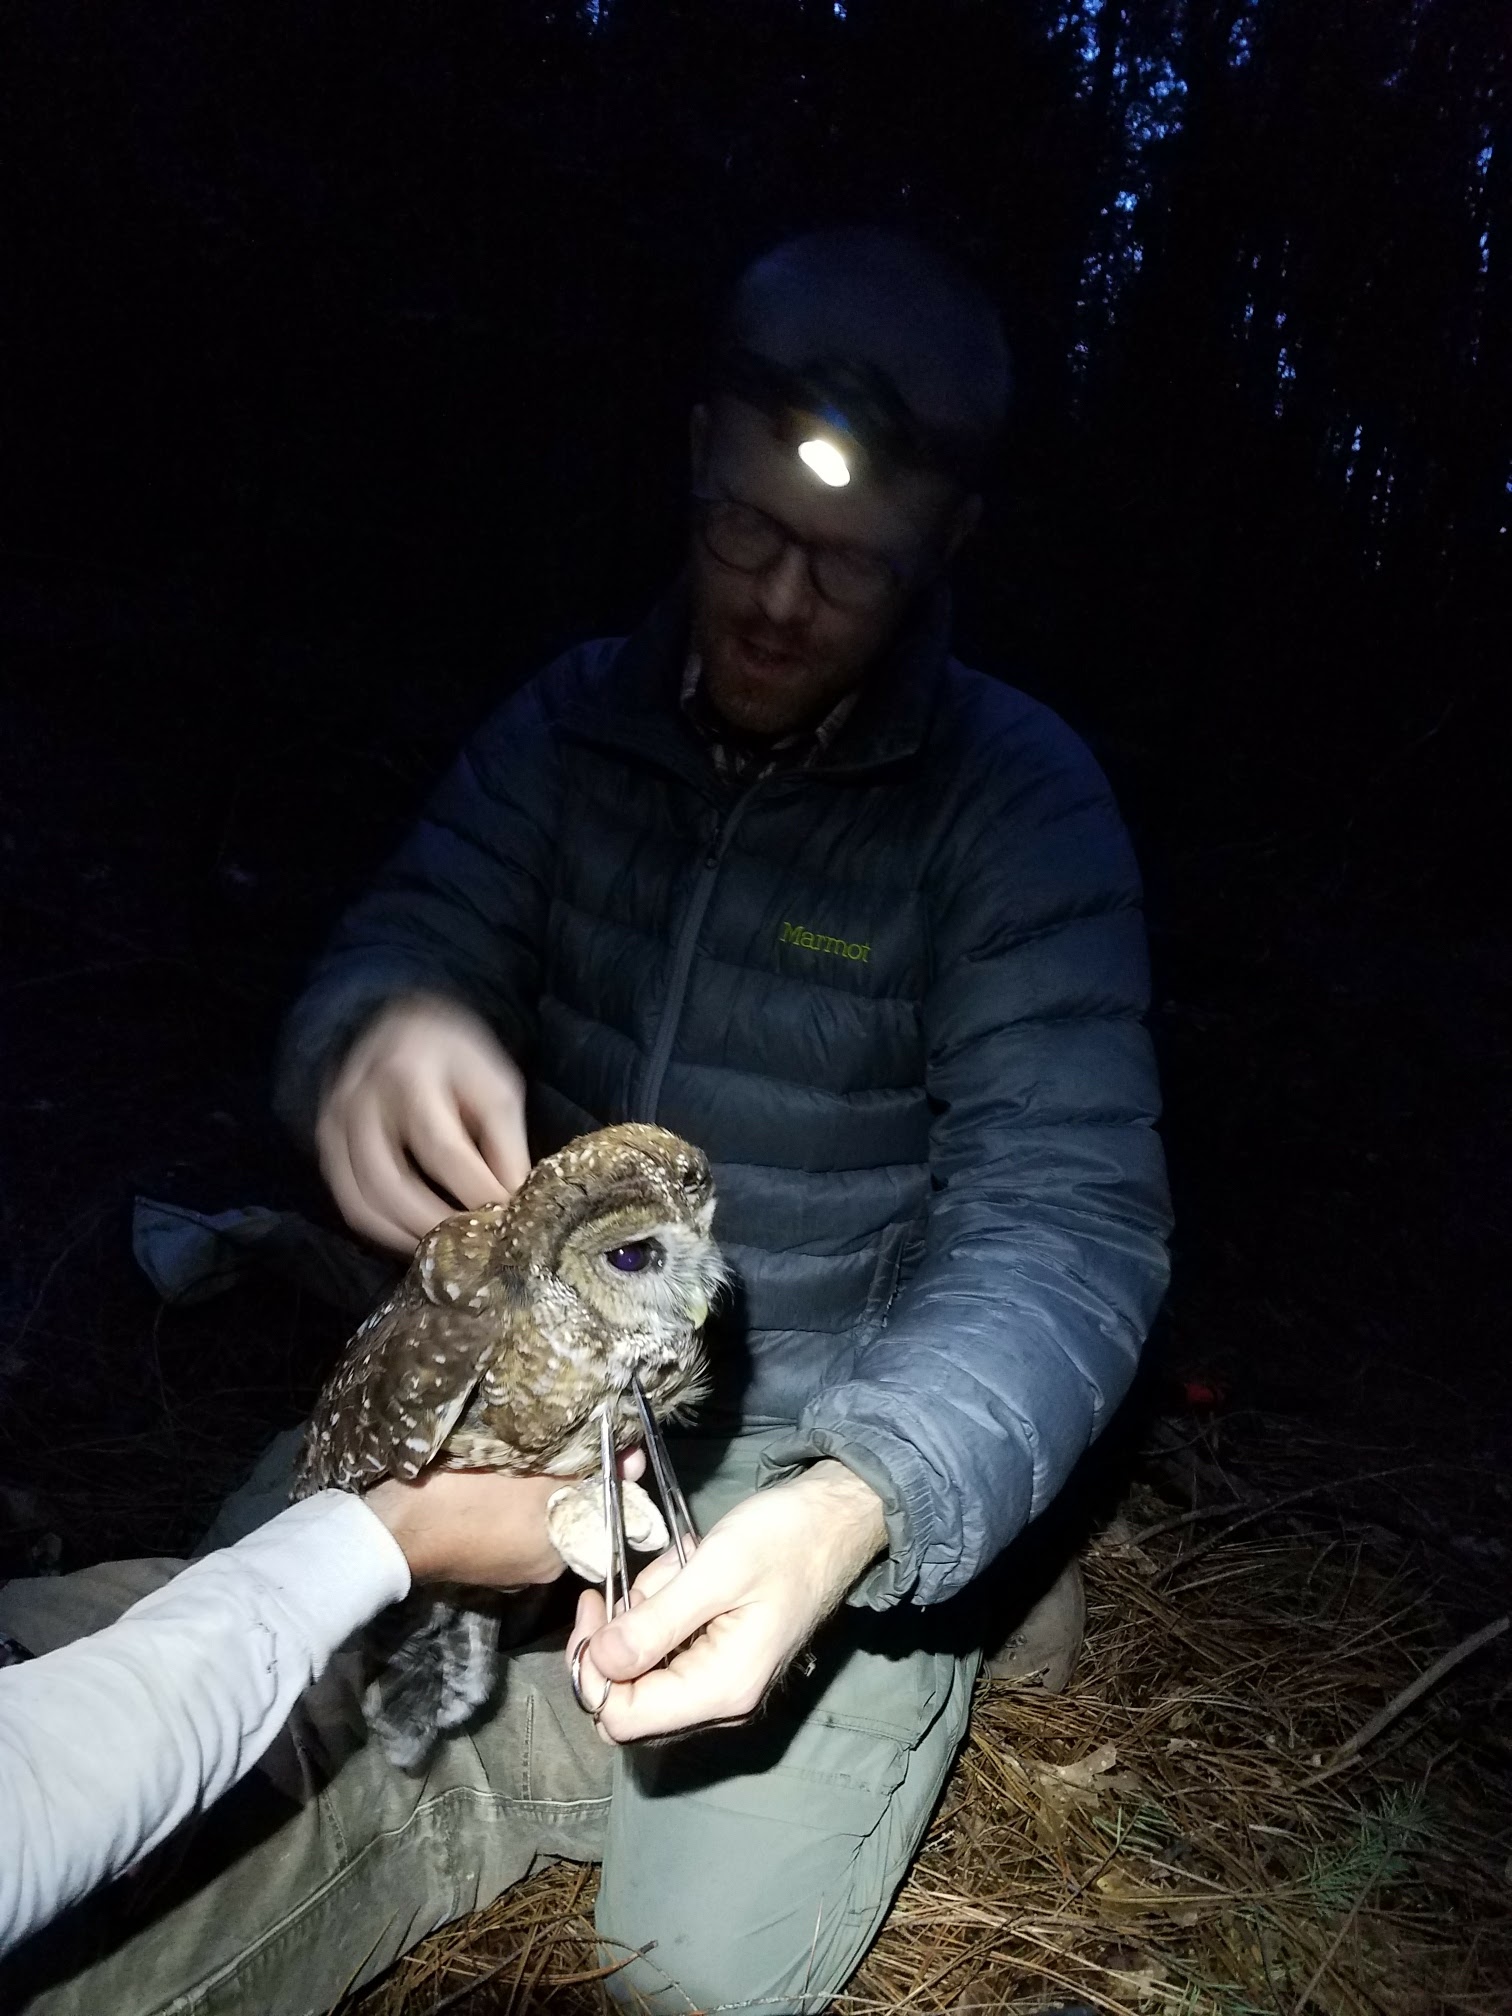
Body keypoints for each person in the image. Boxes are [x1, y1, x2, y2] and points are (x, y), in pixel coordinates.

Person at [0, 226, 1171, 2015]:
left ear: (951, 547)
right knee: (242, 1647)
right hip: (513, 1384)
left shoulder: (1012, 806)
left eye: (849, 568)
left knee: (688, 1970)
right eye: (744, 531)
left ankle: (955, 1582)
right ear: (697, 452)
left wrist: (876, 1496)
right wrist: (370, 1031)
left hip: (803, 1434)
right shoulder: (566, 725)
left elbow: (1069, 1221)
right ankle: (503, 1700)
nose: (779, 600)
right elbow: (403, 936)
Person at [0, 1462, 611, 1956]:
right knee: (457, 1766)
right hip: (42, 1865)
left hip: (23, 1642)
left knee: (241, 1593)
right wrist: (378, 1540)